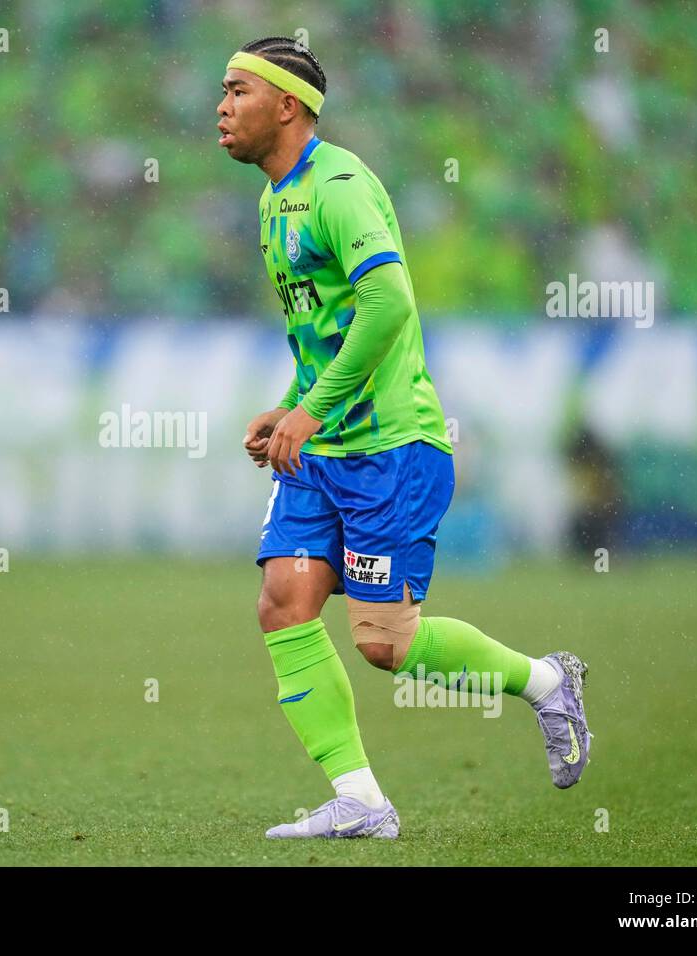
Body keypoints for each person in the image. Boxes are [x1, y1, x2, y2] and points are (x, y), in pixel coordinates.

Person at [217, 36, 592, 839]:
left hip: (389, 448)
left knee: (387, 647)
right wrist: (287, 405)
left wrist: (309, 414)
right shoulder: (271, 199)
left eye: (239, 91)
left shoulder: (342, 186)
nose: (222, 106)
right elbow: (325, 328)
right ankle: (361, 801)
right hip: (321, 454)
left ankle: (545, 682)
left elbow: (387, 305)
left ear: (288, 105)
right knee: (284, 603)